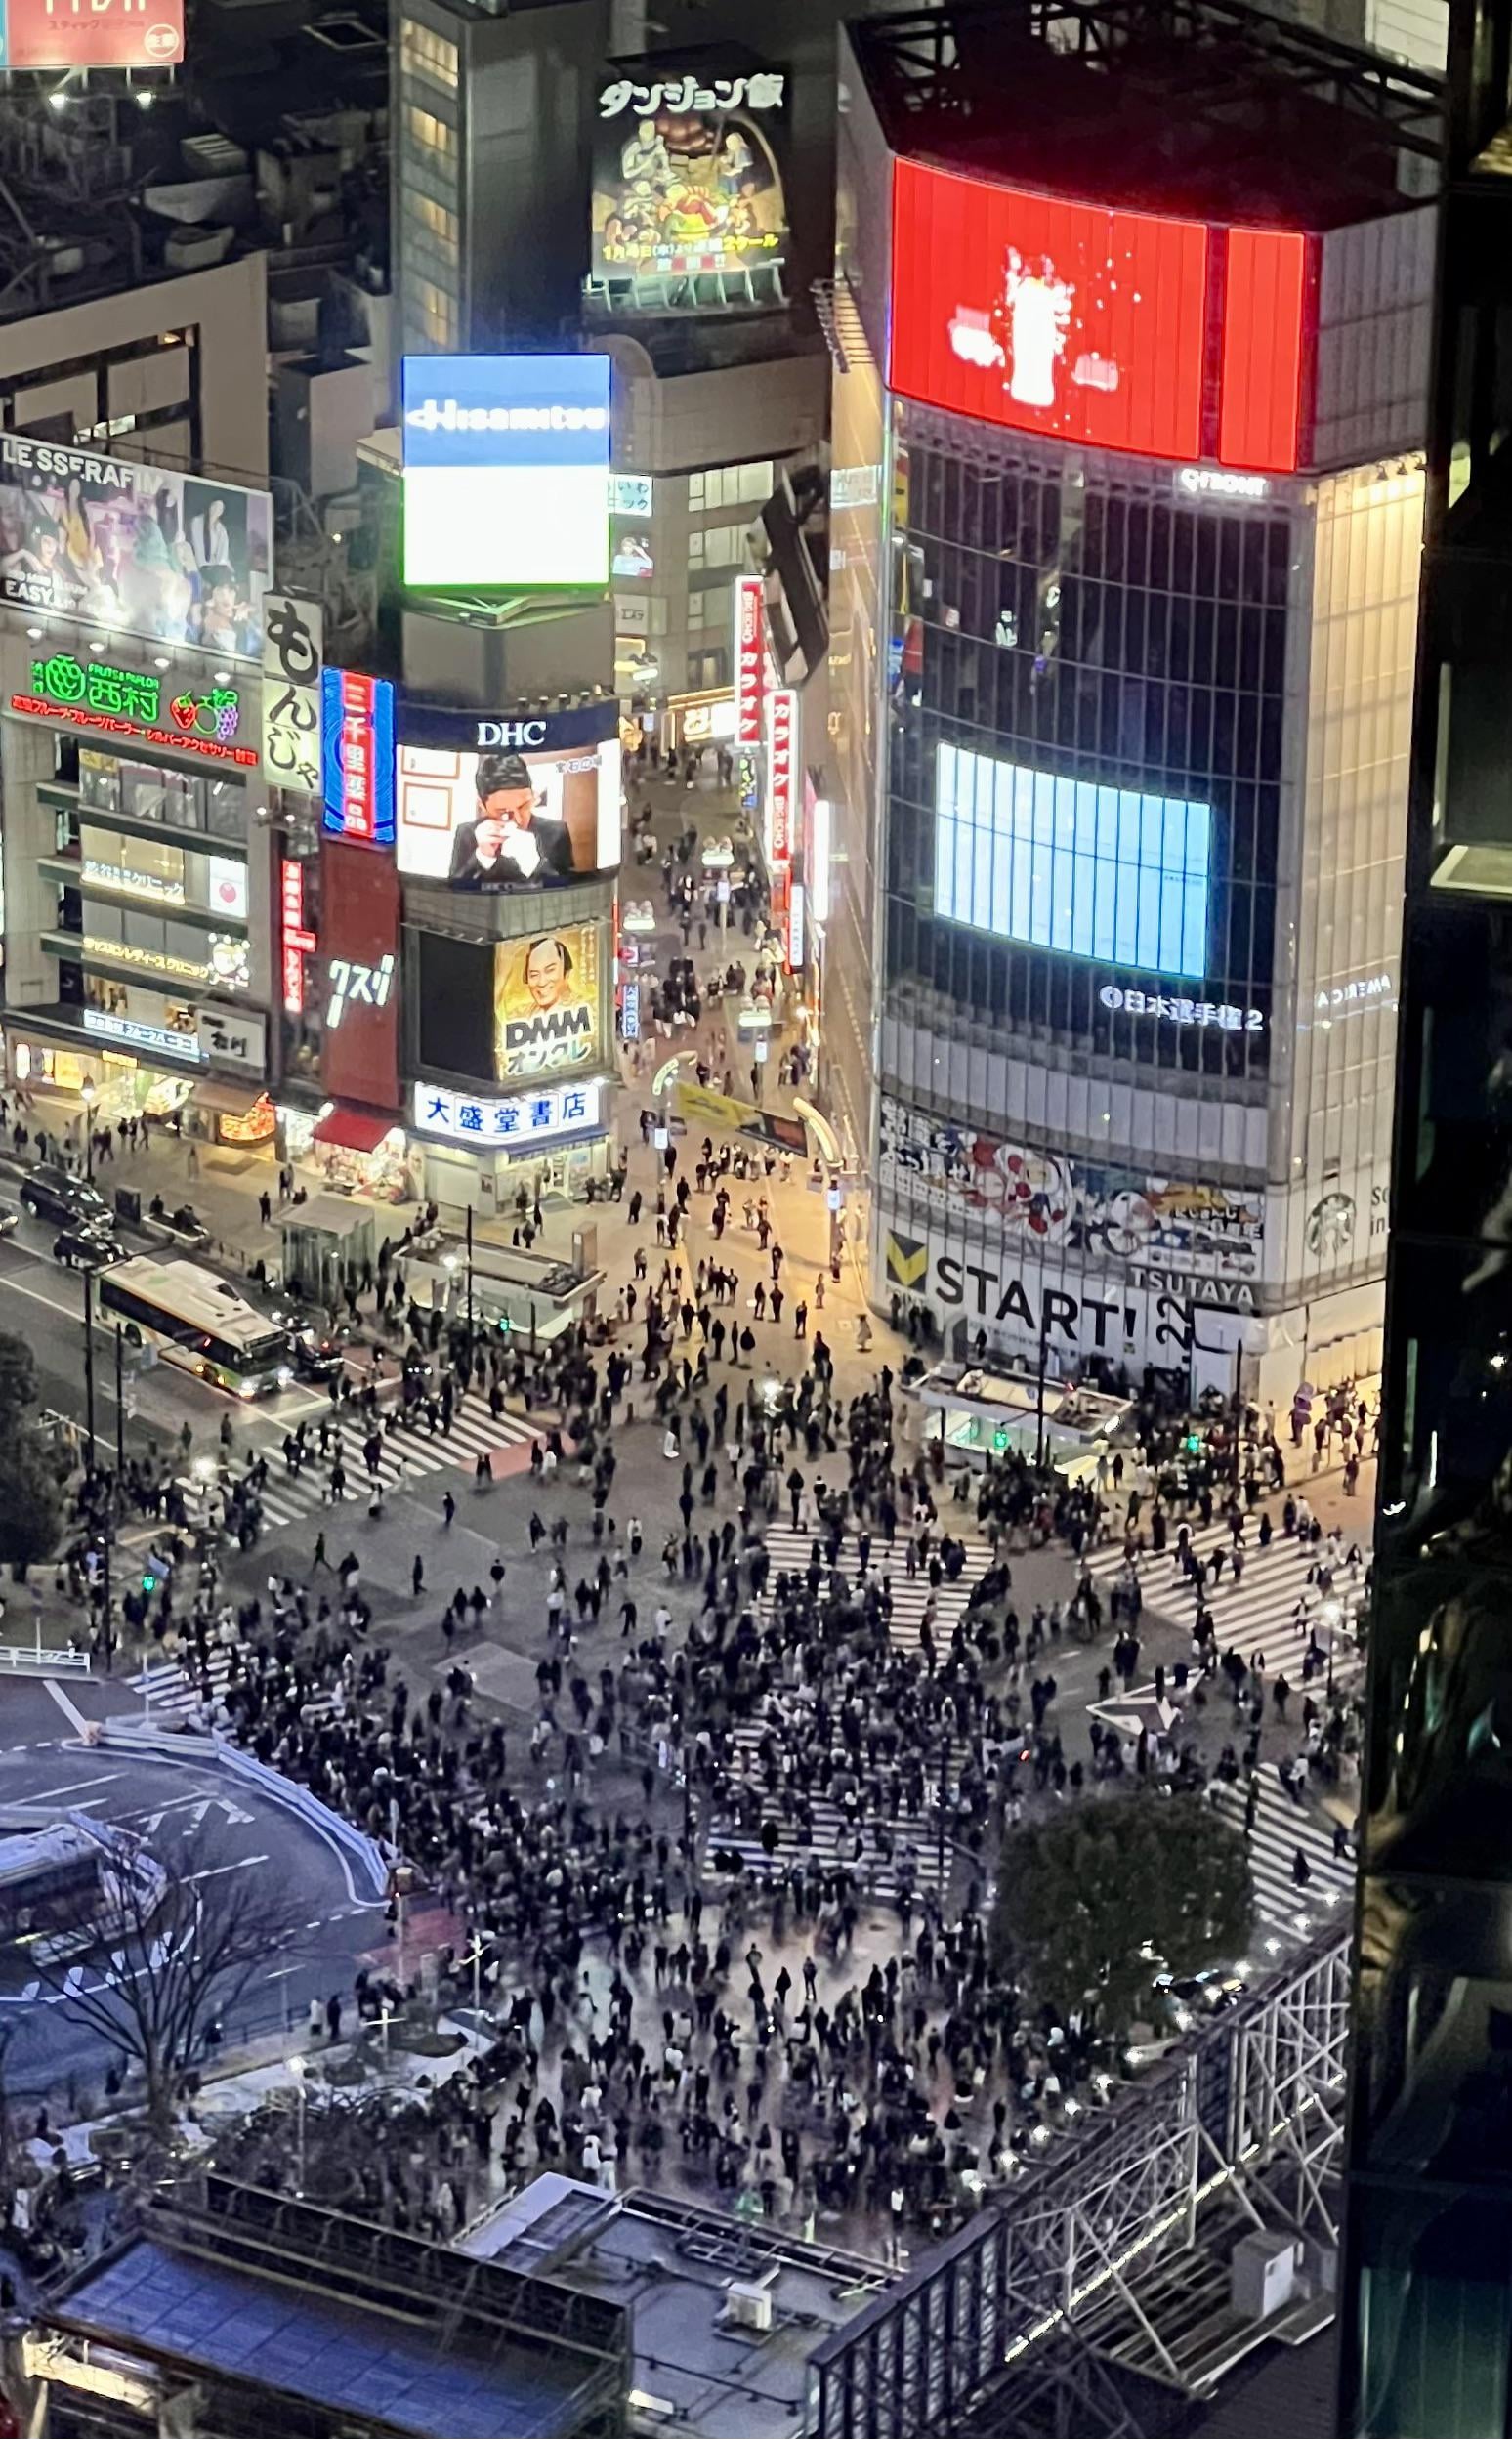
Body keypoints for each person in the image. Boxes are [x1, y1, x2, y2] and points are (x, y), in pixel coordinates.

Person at [448, 754, 575, 887]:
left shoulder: (556, 832)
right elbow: (455, 894)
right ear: (482, 806)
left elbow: (569, 894)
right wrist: (483, 857)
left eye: (524, 806)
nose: (519, 820)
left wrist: (535, 864)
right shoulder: (467, 833)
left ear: (532, 795)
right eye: (504, 812)